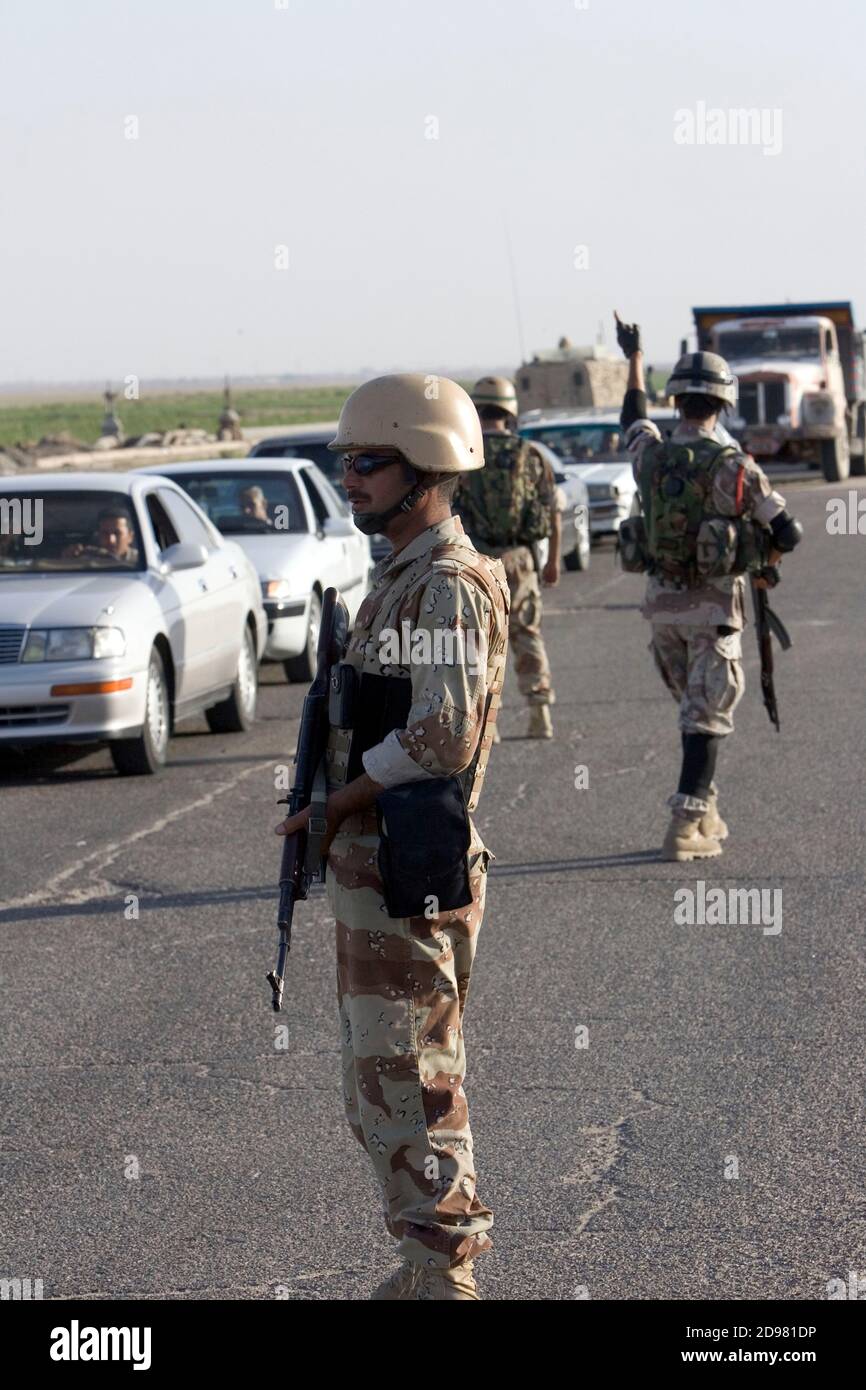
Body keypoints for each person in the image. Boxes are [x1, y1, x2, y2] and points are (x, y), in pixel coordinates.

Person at [275, 374, 509, 1300]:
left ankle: (446, 1274)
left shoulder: (446, 585)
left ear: (427, 469)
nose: (351, 478)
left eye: (369, 462)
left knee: (411, 1074)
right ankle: (425, 1261)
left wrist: (341, 800)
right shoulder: (401, 578)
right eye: (347, 461)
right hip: (378, 869)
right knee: (380, 1080)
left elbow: (442, 736)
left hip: (408, 867)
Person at [614, 313, 802, 861]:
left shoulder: (649, 455)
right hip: (715, 610)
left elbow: (632, 417)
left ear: (675, 402)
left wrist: (634, 357)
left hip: (661, 612)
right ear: (723, 403)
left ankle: (708, 810)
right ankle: (683, 826)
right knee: (706, 717)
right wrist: (764, 564)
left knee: (693, 713)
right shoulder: (734, 466)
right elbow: (788, 531)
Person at [454, 375, 559, 739]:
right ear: (510, 411)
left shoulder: (465, 456)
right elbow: (551, 509)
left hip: (476, 561)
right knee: (526, 633)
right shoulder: (531, 454)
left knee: (477, 641)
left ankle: (486, 725)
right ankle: (540, 714)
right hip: (520, 559)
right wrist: (553, 560)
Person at [63, 507, 139, 565]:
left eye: (117, 533)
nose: (111, 540)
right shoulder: (85, 560)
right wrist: (68, 560)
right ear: (98, 536)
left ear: (130, 537)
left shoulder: (140, 561)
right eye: (105, 533)